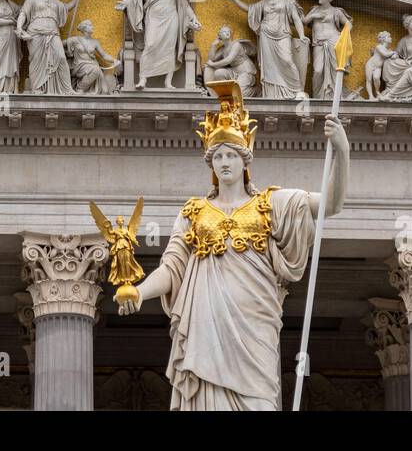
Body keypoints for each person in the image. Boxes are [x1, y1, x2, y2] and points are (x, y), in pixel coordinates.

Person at [116, 80, 350, 410]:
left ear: (245, 160)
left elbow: (330, 206)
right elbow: (172, 269)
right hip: (206, 332)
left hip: (255, 332)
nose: (225, 162)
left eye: (231, 155)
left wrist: (342, 151)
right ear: (211, 165)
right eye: (218, 156)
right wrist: (139, 292)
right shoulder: (194, 212)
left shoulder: (273, 203)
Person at [115, 0, 201, 89]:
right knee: (150, 44)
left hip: (171, 19)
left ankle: (168, 82)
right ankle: (143, 79)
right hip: (153, 18)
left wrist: (193, 18)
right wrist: (124, 3)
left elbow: (184, 5)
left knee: (170, 49)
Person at [221, 0, 309, 98]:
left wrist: (302, 35)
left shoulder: (288, 1)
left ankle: (298, 90)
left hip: (283, 34)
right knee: (269, 66)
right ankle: (272, 93)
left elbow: (296, 19)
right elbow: (250, 9)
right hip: (266, 35)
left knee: (287, 60)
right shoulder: (265, 2)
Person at [16, 0, 79, 95]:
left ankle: (67, 89)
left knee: (61, 57)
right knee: (36, 61)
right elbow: (23, 14)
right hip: (36, 33)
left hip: (53, 32)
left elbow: (67, 7)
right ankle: (37, 88)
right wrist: (19, 28)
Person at [302, 0, 353, 100]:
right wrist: (314, 16)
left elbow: (348, 24)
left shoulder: (336, 11)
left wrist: (343, 38)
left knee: (335, 69)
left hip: (333, 42)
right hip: (319, 43)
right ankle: (318, 97)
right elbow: (304, 21)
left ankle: (335, 96)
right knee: (318, 70)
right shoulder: (315, 10)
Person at [64, 20, 119, 94]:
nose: (92, 27)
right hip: (79, 65)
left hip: (92, 65)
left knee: (105, 91)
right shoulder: (74, 40)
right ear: (84, 28)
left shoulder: (95, 42)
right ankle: (80, 89)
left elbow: (104, 55)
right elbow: (60, 45)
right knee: (95, 70)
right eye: (90, 25)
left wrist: (114, 60)